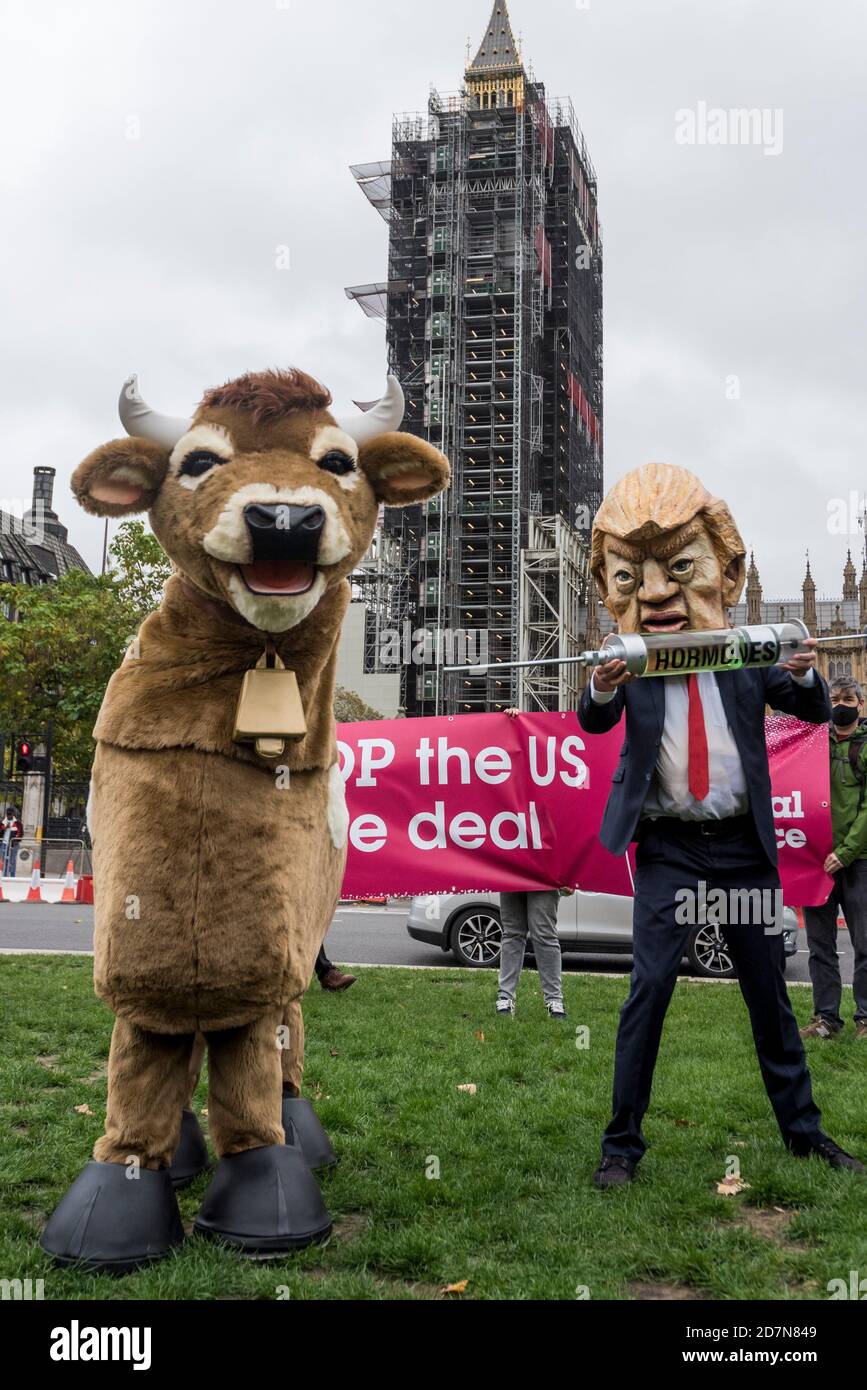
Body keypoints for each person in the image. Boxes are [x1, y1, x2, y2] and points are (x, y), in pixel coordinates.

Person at [578, 463, 863, 1188]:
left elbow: (810, 707)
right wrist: (600, 685)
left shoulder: (741, 653)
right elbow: (593, 719)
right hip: (670, 851)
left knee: (768, 995)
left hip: (742, 850)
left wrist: (804, 670)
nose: (658, 595)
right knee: (648, 992)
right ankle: (621, 1147)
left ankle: (803, 1133)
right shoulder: (634, 659)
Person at [800, 677, 867, 1041]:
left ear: (860, 704)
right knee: (820, 946)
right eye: (835, 698)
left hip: (858, 861)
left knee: (865, 945)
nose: (841, 705)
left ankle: (865, 1019)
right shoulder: (810, 743)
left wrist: (845, 852)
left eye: (848, 699)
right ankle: (826, 1018)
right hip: (817, 862)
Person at [495, 709, 568, 1019]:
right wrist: (510, 721)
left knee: (543, 933)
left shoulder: (549, 782)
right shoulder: (502, 780)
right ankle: (505, 997)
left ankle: (554, 999)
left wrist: (566, 871)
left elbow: (564, 825)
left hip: (542, 870)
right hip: (512, 866)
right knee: (512, 932)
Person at [1, 807, 23, 877]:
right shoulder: (3, 822)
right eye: (8, 814)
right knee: (4, 860)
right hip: (4, 844)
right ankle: (4, 875)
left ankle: (12, 876)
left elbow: (21, 834)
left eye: (10, 814)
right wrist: (5, 828)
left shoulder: (17, 823)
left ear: (13, 814)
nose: (9, 816)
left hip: (14, 844)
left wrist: (15, 841)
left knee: (12, 861)